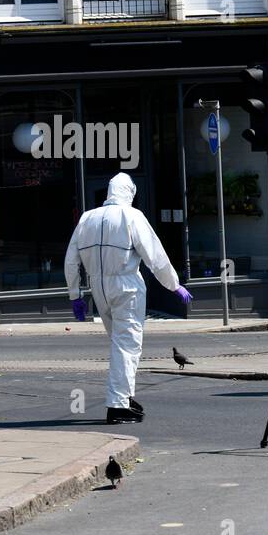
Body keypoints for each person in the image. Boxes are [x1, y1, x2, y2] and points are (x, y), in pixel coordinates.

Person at [64, 172, 192, 424]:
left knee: (119, 345)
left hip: (98, 287)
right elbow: (154, 254)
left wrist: (75, 295)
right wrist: (173, 285)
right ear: (129, 193)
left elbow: (71, 260)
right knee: (127, 345)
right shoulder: (132, 216)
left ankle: (125, 396)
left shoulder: (87, 218)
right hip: (126, 285)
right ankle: (118, 405)